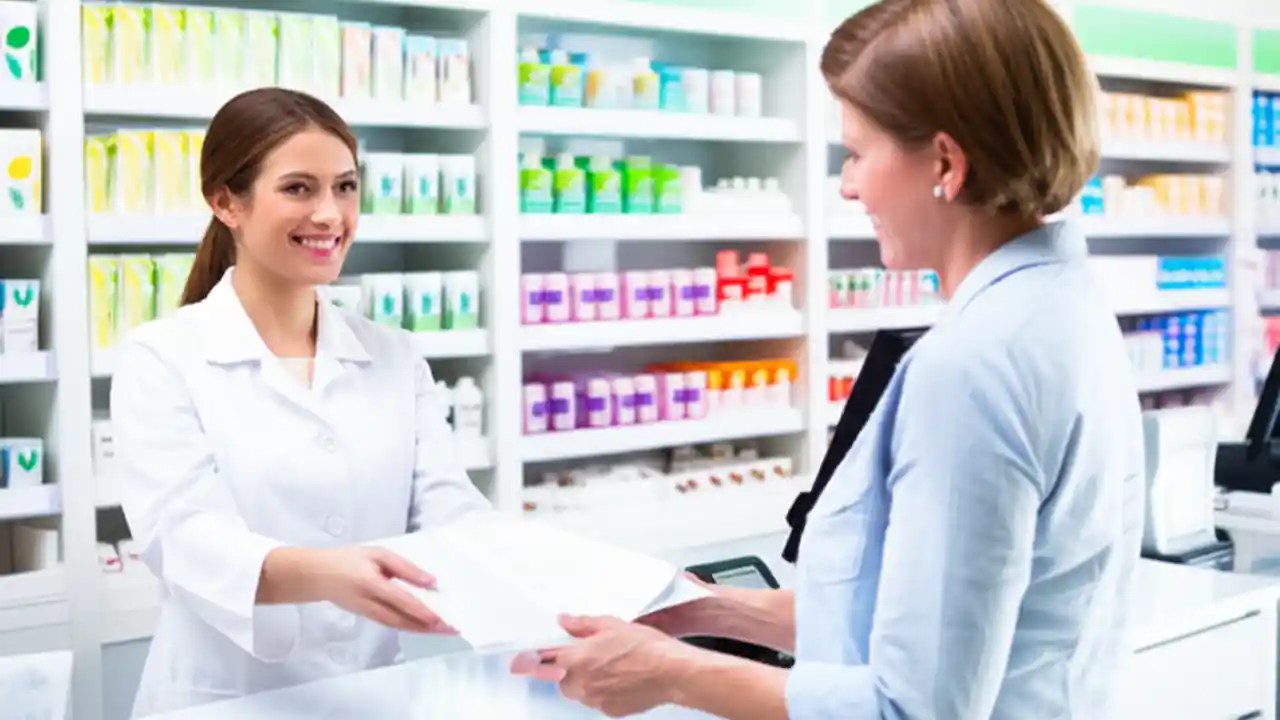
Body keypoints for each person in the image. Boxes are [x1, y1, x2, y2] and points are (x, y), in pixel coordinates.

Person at [512, 1, 1146, 718]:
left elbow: (910, 708)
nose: (848, 186)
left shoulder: (972, 366)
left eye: (856, 153)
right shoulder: (1060, 306)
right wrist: (707, 611)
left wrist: (669, 675)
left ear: (944, 162)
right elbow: (938, 627)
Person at [110, 88, 492, 717]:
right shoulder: (163, 355)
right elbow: (184, 536)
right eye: (298, 189)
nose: (329, 214)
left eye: (344, 187)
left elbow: (450, 506)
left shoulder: (395, 357)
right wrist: (332, 575)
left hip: (373, 695)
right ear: (225, 202)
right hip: (225, 701)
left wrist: (532, 568)